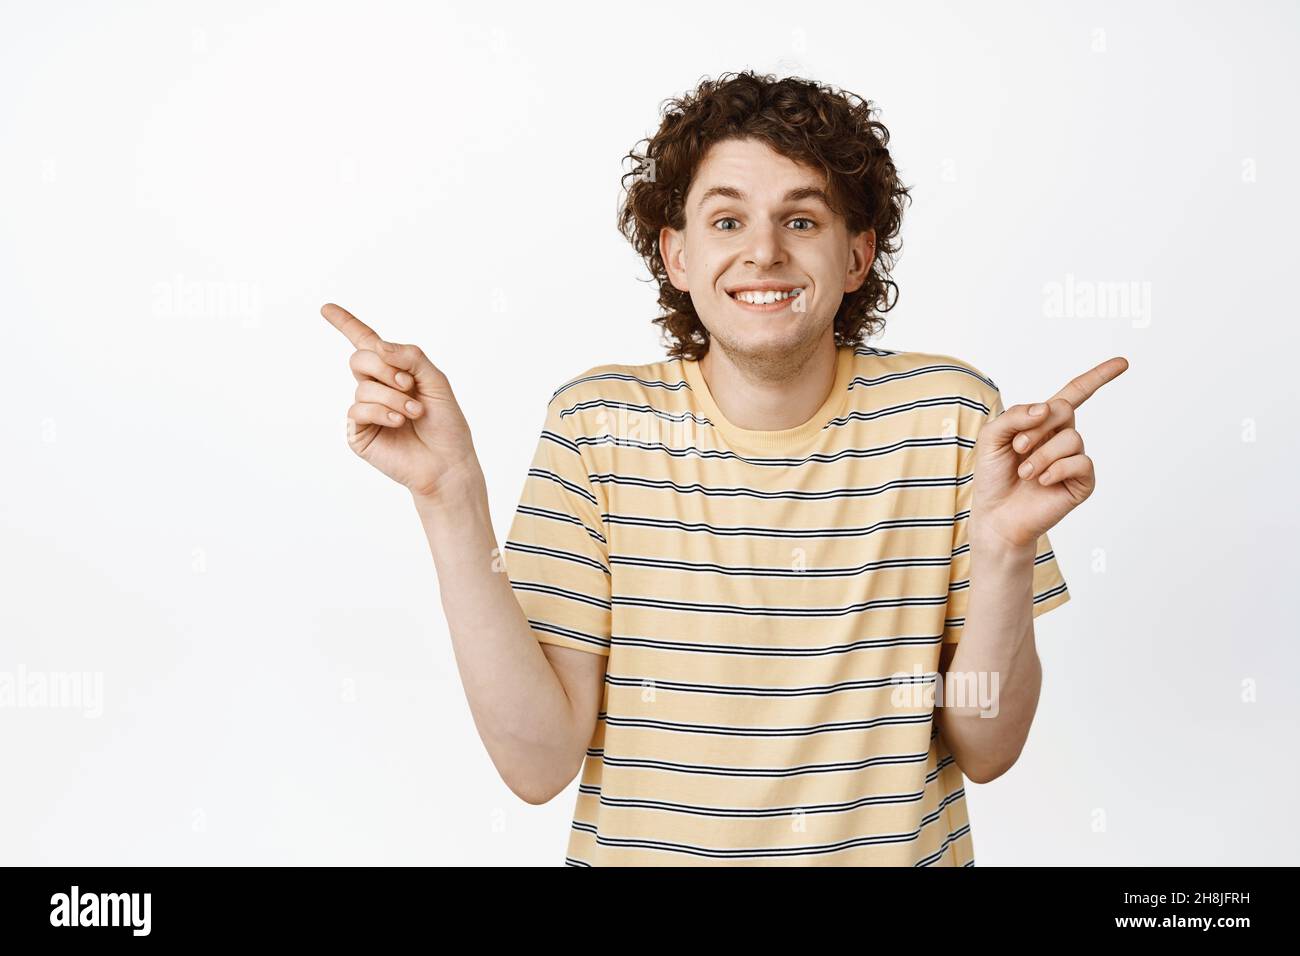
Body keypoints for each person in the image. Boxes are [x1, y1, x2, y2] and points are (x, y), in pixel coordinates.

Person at [321, 70, 1128, 866]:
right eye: (728, 220)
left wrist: (1006, 549)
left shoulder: (950, 418)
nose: (765, 253)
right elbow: (537, 767)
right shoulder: (596, 427)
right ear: (676, 254)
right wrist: (449, 499)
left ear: (857, 254)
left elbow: (987, 746)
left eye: (802, 221)